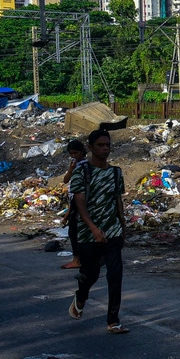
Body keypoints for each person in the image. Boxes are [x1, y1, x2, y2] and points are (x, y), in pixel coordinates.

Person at [68, 129, 129, 334]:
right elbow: (80, 202)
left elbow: (118, 199)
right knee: (90, 274)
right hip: (87, 233)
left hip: (112, 231)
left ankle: (113, 321)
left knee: (115, 275)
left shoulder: (115, 172)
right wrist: (93, 228)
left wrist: (122, 224)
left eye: (108, 145)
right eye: (100, 145)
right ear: (91, 147)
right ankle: (81, 296)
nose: (105, 149)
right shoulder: (82, 172)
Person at [59, 139, 87, 269]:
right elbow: (65, 180)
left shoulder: (85, 166)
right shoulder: (75, 165)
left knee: (74, 231)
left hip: (80, 200)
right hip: (74, 200)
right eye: (71, 153)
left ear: (82, 152)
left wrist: (67, 215)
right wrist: (71, 169)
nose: (73, 156)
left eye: (75, 153)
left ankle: (78, 260)